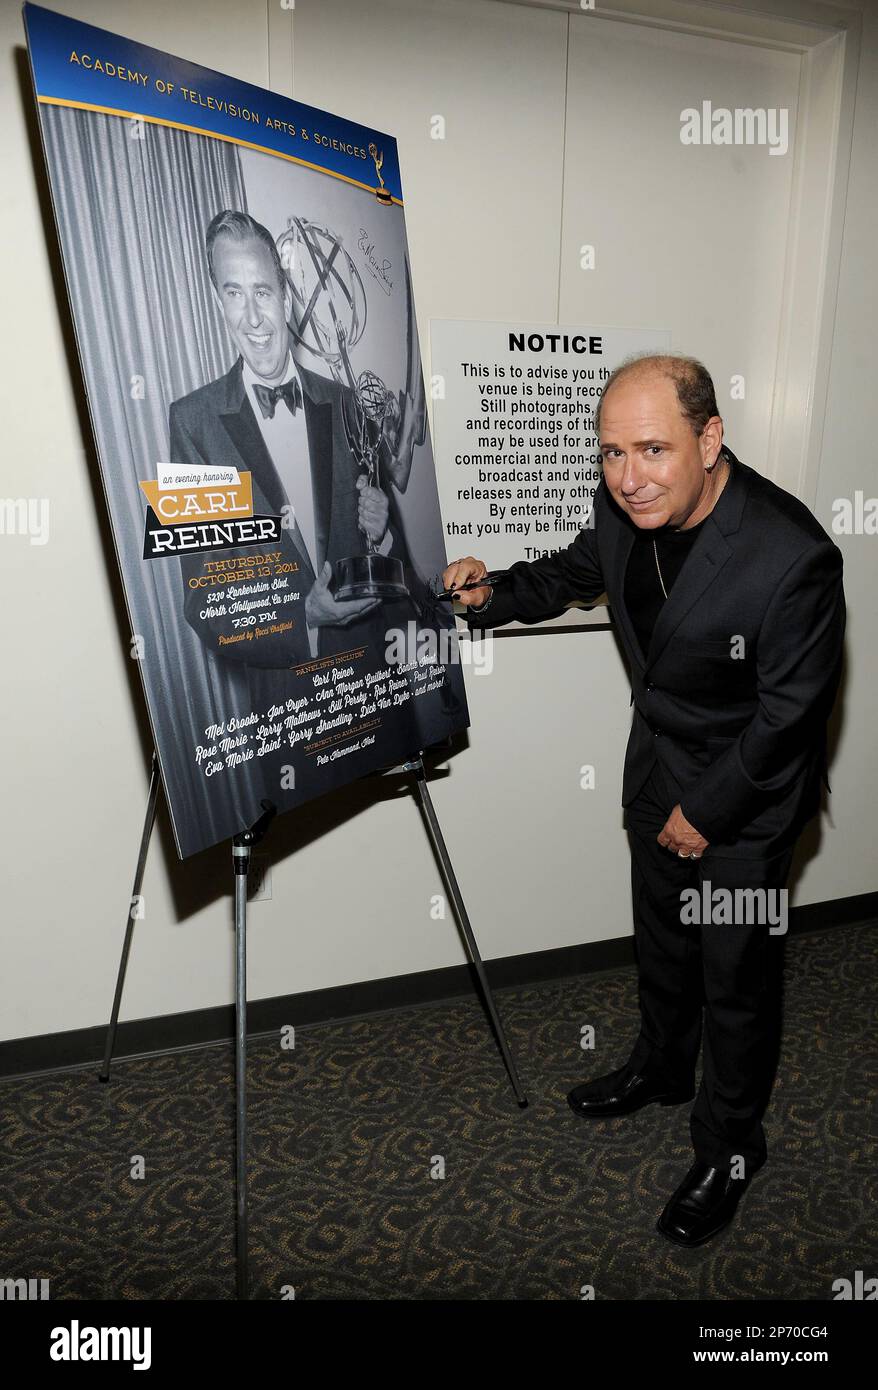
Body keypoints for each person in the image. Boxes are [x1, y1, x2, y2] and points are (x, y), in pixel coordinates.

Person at [445, 353, 845, 1246]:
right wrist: (489, 594)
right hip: (657, 770)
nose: (629, 477)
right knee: (664, 946)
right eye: (612, 453)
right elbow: (569, 571)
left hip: (747, 799)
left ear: (710, 439)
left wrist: (707, 812)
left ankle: (731, 1148)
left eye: (654, 449)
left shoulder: (794, 554)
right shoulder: (623, 508)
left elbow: (790, 715)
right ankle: (663, 1069)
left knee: (736, 980)